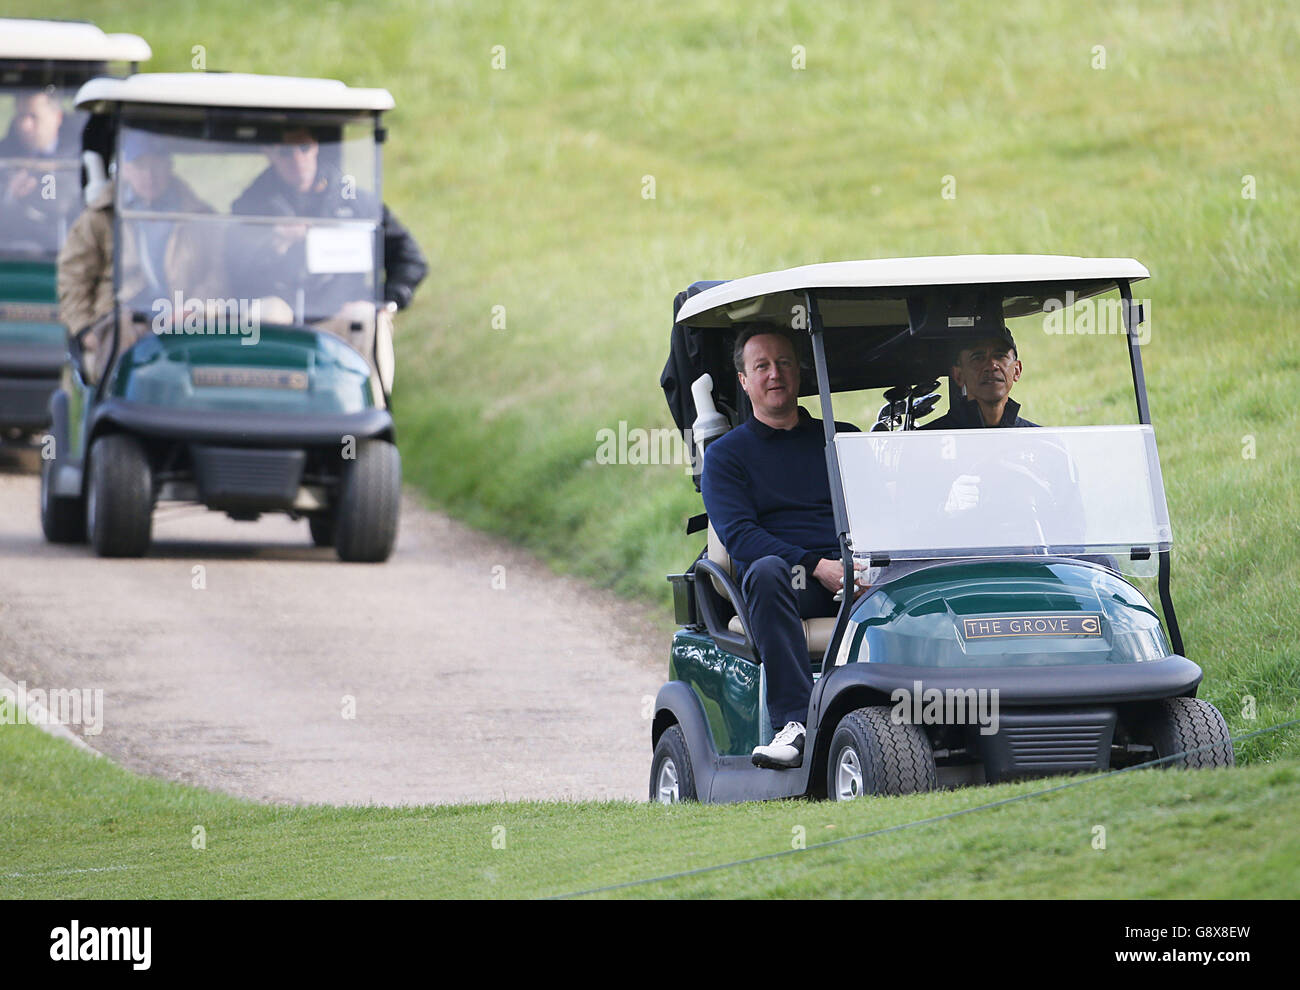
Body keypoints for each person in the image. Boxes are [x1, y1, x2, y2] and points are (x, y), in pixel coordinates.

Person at [700, 324, 861, 769]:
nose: (775, 374)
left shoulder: (841, 439)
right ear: (744, 381)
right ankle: (795, 722)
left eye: (784, 363)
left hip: (859, 573)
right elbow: (740, 538)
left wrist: (860, 563)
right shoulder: (727, 456)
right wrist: (817, 565)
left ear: (800, 372)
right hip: (792, 584)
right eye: (762, 366)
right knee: (768, 569)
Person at [227, 126, 427, 381]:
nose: (297, 161)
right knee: (265, 315)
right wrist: (275, 242)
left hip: (338, 312)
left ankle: (373, 410)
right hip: (281, 312)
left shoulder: (354, 202)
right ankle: (268, 408)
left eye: (303, 148)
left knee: (367, 318)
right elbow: (234, 268)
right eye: (285, 153)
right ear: (270, 154)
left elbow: (409, 258)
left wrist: (388, 301)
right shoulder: (250, 205)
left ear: (316, 147)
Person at [57, 131, 223, 382]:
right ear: (125, 168)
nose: (149, 175)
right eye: (140, 165)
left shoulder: (199, 215)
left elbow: (218, 273)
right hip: (120, 318)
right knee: (121, 342)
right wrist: (83, 329)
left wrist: (192, 307)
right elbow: (72, 277)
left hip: (182, 318)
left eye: (156, 163)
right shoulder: (100, 216)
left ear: (169, 165)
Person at [0, 88, 81, 249]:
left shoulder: (78, 153)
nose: (25, 126)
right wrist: (10, 195)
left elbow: (69, 200)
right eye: (21, 116)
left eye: (33, 117)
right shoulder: (5, 154)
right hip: (12, 252)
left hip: (64, 251)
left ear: (56, 118)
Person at [920, 326, 1037, 429]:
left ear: (1017, 370)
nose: (991, 366)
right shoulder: (927, 441)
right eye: (978, 358)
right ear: (959, 375)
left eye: (1000, 356)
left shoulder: (1037, 439)